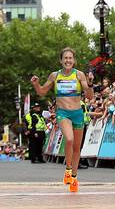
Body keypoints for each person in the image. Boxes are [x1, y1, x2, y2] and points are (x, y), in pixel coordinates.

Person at [30, 47, 94, 192]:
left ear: (74, 60)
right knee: (69, 139)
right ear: (61, 60)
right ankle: (68, 169)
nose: (68, 60)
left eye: (70, 58)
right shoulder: (54, 76)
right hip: (63, 113)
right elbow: (42, 92)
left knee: (77, 148)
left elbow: (89, 96)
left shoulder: (79, 75)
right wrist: (36, 84)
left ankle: (74, 178)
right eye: (65, 58)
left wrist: (90, 83)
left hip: (78, 113)